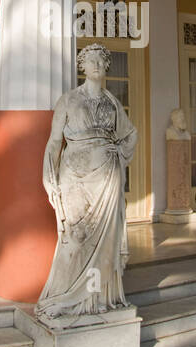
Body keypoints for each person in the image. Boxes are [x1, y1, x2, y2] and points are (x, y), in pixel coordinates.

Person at [37, 43, 137, 321]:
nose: (95, 65)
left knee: (106, 241)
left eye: (100, 61)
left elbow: (130, 134)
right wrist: (50, 179)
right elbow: (55, 142)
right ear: (82, 66)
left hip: (108, 178)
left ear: (105, 67)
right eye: (90, 60)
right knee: (75, 237)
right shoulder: (68, 100)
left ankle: (99, 300)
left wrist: (119, 154)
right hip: (75, 177)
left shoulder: (112, 102)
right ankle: (65, 295)